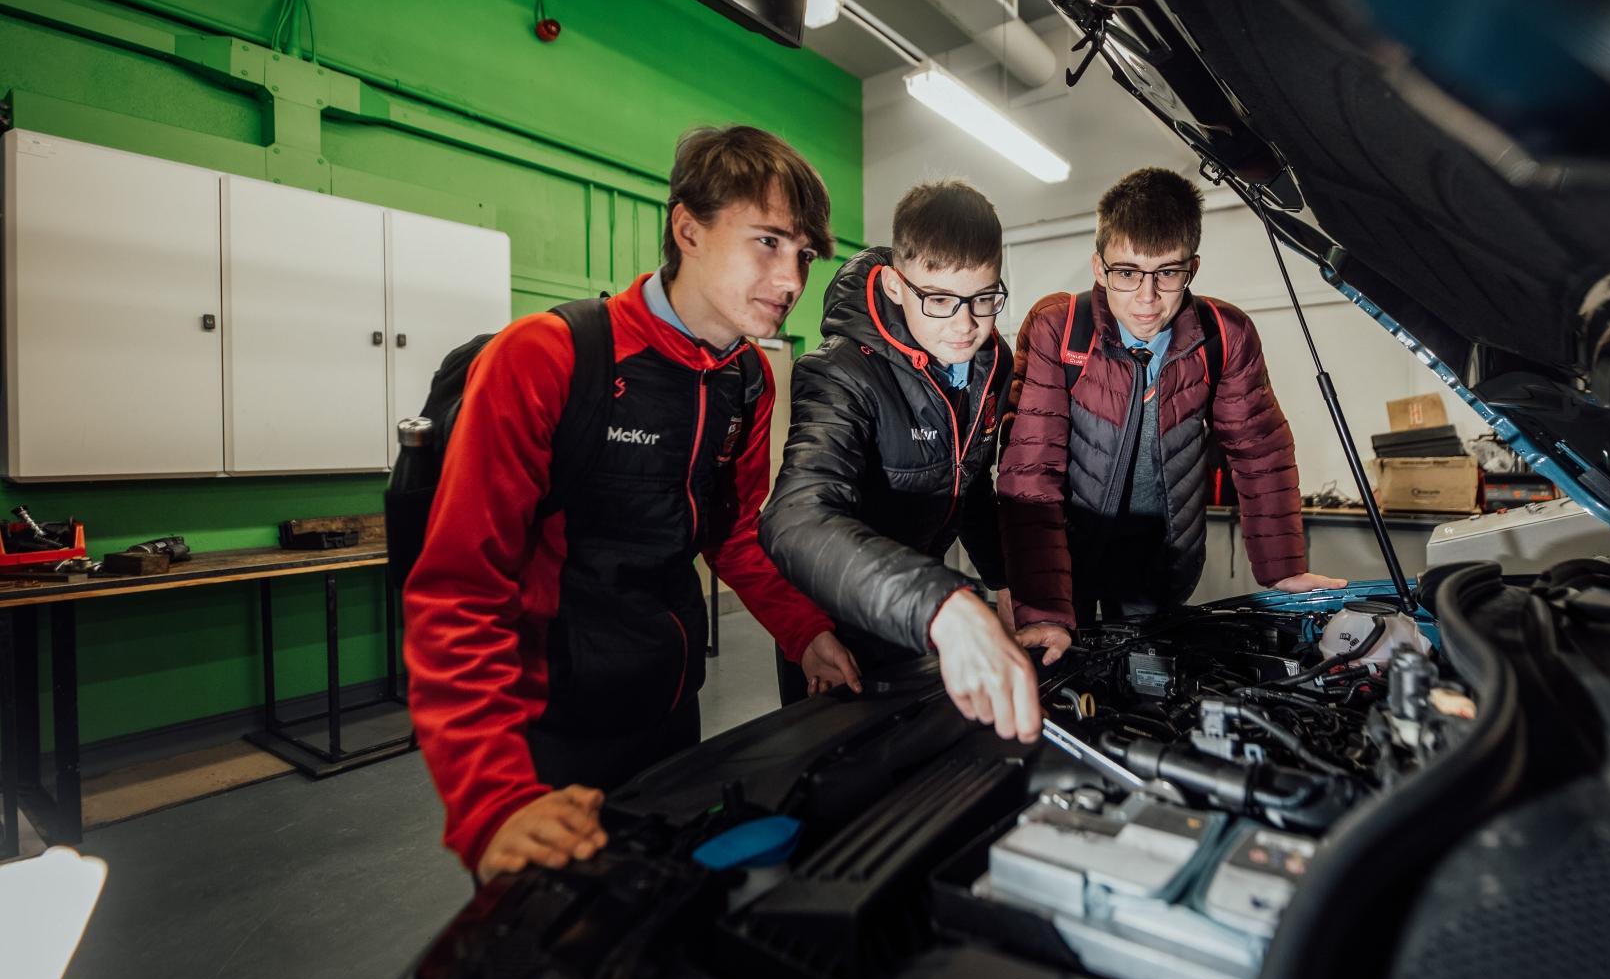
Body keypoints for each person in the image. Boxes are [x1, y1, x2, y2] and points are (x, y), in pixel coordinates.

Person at [405, 125, 857, 881]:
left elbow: (737, 534)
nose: (791, 280)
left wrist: (804, 630)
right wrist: (493, 802)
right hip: (548, 734)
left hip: (671, 710)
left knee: (663, 915)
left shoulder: (746, 381)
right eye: (769, 242)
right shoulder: (548, 359)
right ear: (688, 229)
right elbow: (458, 589)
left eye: (804, 254)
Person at [998, 167, 1347, 656]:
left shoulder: (1224, 335)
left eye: (1168, 273)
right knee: (1063, 686)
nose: (1147, 297)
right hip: (1061, 560)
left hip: (1160, 564)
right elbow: (1032, 472)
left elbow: (1260, 451)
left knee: (1149, 692)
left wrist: (1284, 567)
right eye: (1127, 273)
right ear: (1099, 268)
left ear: (1193, 268)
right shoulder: (1058, 328)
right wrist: (1038, 605)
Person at [762, 180, 1042, 743]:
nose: (964, 326)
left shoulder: (990, 361)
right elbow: (796, 515)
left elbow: (970, 483)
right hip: (840, 620)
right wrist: (944, 605)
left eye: (984, 299)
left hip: (931, 611)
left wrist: (1007, 585)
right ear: (895, 284)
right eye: (938, 299)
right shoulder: (840, 372)